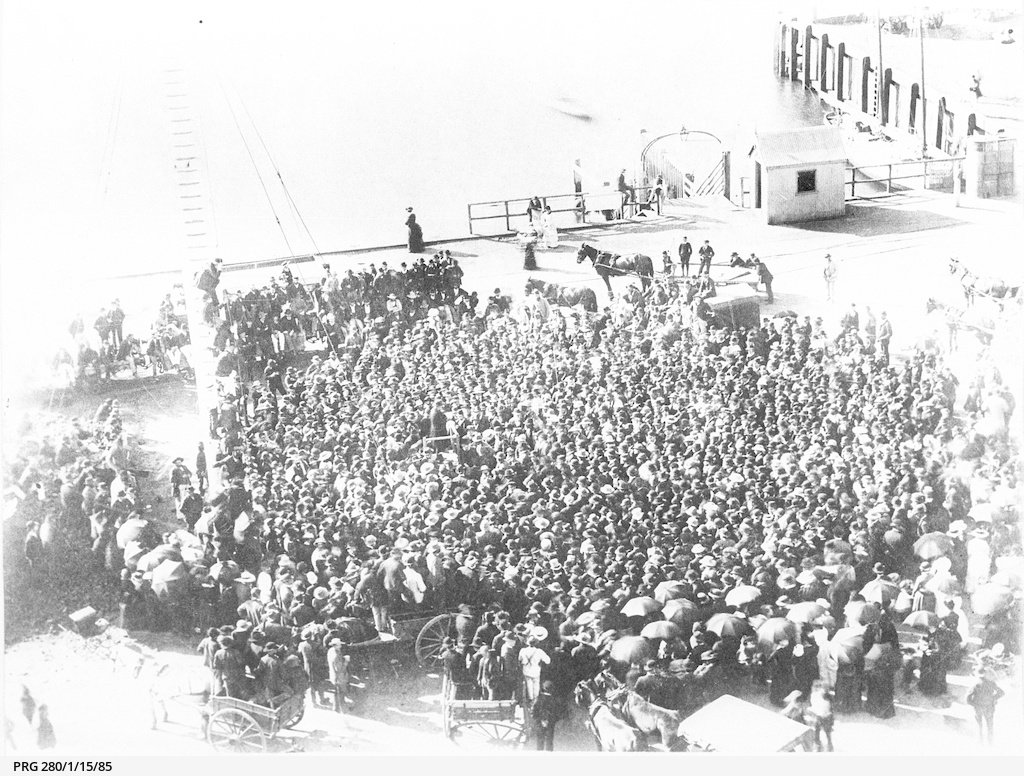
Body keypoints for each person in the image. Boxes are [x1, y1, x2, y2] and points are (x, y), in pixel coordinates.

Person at [965, 667, 1004, 746]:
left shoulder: (975, 685)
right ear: (985, 674)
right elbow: (1001, 692)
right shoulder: (991, 683)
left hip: (978, 707)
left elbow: (967, 699)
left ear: (977, 674)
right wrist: (993, 698)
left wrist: (974, 704)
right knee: (990, 725)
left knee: (979, 725)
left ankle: (980, 743)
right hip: (989, 707)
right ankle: (990, 743)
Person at [530, 680, 560, 751]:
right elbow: (556, 712)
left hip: (539, 722)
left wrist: (539, 720)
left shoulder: (538, 699)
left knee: (540, 741)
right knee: (549, 742)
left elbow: (534, 711)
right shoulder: (554, 700)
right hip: (550, 723)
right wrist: (551, 721)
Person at [326, 638, 351, 713]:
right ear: (336, 645)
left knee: (337, 692)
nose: (340, 646)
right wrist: (346, 661)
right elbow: (339, 669)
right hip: (339, 677)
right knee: (341, 692)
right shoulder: (336, 655)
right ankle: (341, 708)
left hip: (333, 675)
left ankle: (335, 707)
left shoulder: (330, 651)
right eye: (339, 644)